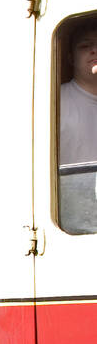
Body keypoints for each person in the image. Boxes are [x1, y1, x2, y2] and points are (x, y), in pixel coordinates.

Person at [58, 18, 97, 232]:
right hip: (71, 230)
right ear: (71, 58)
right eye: (85, 45)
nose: (94, 50)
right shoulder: (55, 103)